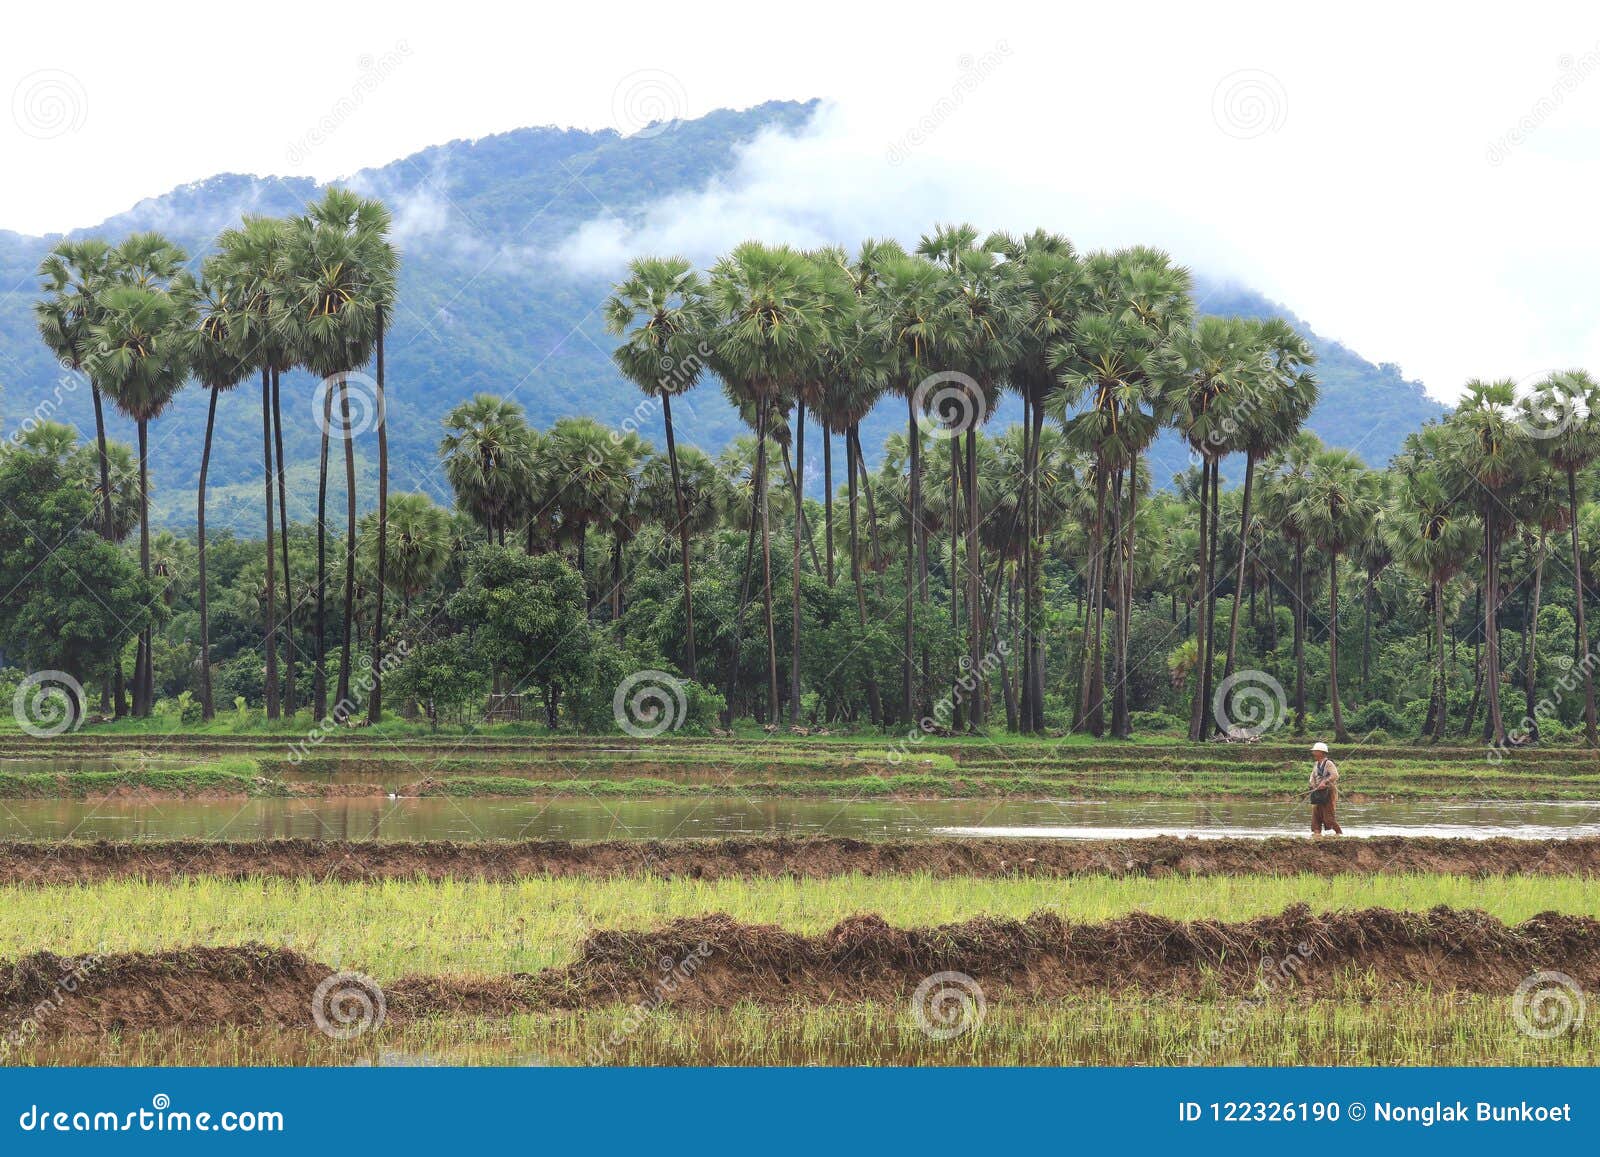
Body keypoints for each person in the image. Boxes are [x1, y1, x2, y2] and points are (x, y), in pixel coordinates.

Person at [1308, 741, 1343, 836]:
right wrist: (1312, 785)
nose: (1313, 753)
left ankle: (1339, 833)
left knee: (1328, 815)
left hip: (1328, 791)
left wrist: (1325, 782)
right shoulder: (1316, 764)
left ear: (1322, 753)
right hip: (1317, 791)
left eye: (1315, 751)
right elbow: (1312, 776)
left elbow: (1335, 775)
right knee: (1316, 813)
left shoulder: (1329, 763)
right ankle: (1316, 833)